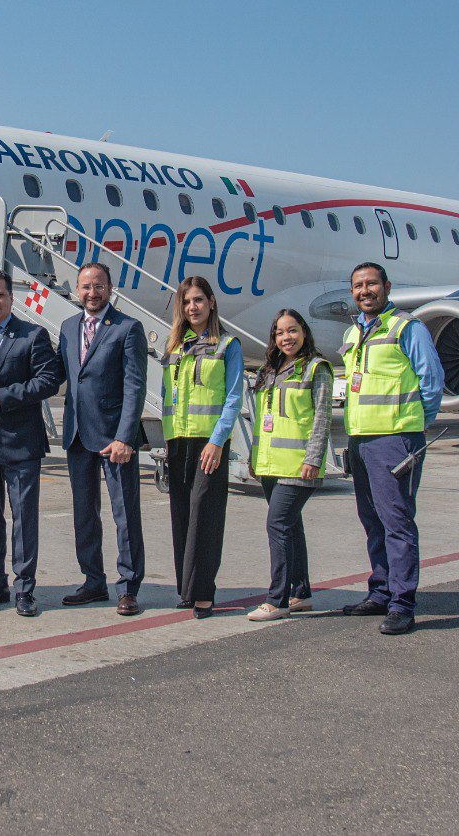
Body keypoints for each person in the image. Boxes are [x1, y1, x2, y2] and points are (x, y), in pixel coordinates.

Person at [338, 261, 443, 635]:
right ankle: (381, 592)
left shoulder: (406, 328)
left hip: (395, 440)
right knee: (372, 521)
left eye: (371, 284)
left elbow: (432, 381)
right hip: (360, 439)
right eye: (358, 286)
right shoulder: (353, 333)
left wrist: (415, 425)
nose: (364, 291)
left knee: (397, 522)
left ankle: (402, 604)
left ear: (387, 287)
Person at [0, 269, 62, 617]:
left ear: (11, 298)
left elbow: (49, 380)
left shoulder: (32, 335)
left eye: (0, 294)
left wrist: (3, 396)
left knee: (23, 517)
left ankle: (25, 588)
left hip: (20, 443)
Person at [58, 261, 149, 616]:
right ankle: (93, 581)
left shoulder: (128, 328)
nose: (92, 293)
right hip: (78, 435)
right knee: (84, 514)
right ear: (77, 290)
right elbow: (61, 374)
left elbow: (135, 386)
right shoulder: (68, 327)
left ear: (110, 289)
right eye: (86, 286)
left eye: (99, 286)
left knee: (124, 514)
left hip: (115, 439)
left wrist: (126, 436)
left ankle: (128, 587)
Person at [160, 275, 245, 619]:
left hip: (209, 444)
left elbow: (234, 397)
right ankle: (186, 589)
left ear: (211, 302)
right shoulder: (175, 348)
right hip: (177, 442)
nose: (192, 307)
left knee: (204, 517)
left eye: (198, 300)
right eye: (186, 302)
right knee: (181, 516)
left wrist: (218, 440)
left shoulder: (228, 345)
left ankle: (203, 593)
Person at [246, 309, 333, 622]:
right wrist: (255, 457)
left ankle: (277, 599)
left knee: (278, 524)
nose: (287, 337)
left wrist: (314, 458)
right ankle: (301, 593)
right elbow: (261, 420)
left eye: (292, 330)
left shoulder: (316, 368)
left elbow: (322, 416)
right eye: (280, 333)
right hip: (271, 464)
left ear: (304, 332)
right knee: (291, 526)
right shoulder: (269, 370)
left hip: (298, 464)